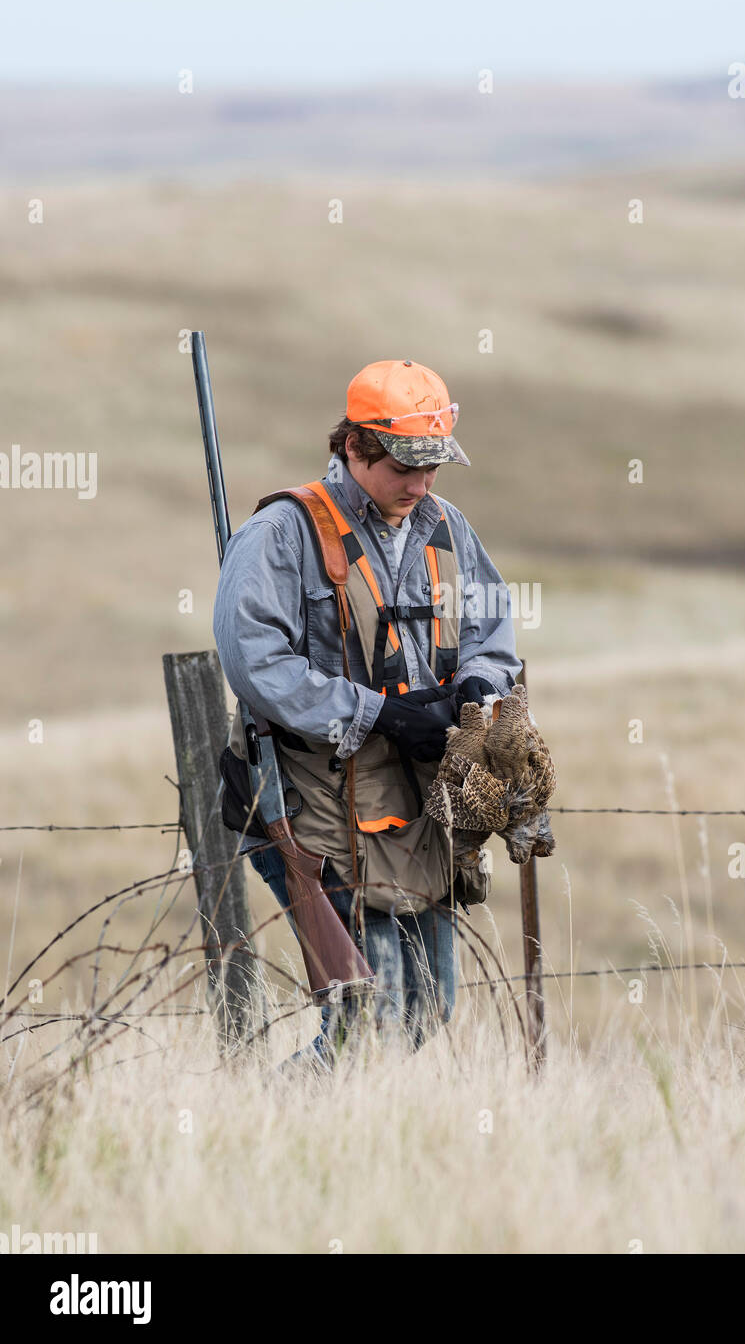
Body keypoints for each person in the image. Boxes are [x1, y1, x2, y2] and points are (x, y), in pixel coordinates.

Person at [213, 359, 522, 1071]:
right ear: (354, 447)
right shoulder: (281, 533)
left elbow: (490, 626)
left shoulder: (446, 527)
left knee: (427, 1009)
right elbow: (254, 660)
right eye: (404, 467)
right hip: (312, 803)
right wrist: (377, 715)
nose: (419, 485)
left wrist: (475, 688)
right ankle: (282, 1125)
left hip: (417, 804)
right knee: (370, 1013)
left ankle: (306, 1125)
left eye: (432, 468)